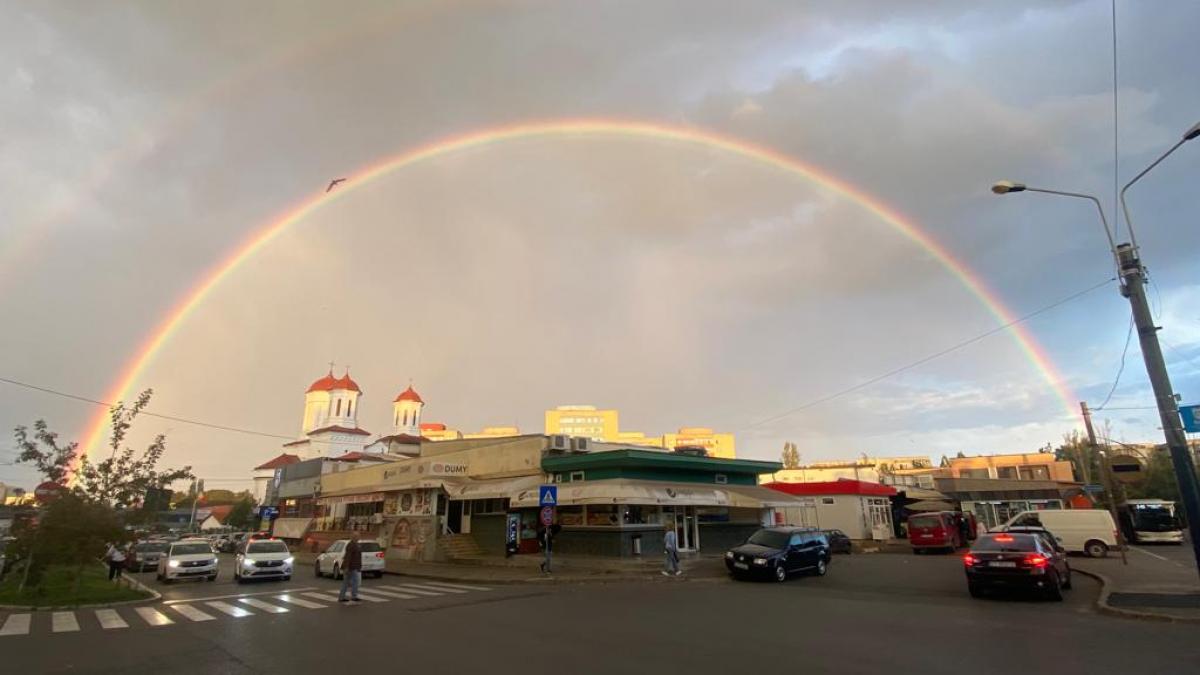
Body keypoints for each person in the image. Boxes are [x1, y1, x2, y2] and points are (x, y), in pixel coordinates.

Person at [338, 533, 363, 602]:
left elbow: (358, 557)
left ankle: (347, 596)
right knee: (352, 582)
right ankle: (350, 596)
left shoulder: (357, 545)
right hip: (350, 567)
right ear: (354, 537)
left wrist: (359, 566)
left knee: (350, 582)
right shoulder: (351, 545)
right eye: (357, 536)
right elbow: (348, 557)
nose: (359, 537)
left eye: (359, 536)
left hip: (354, 566)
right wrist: (346, 567)